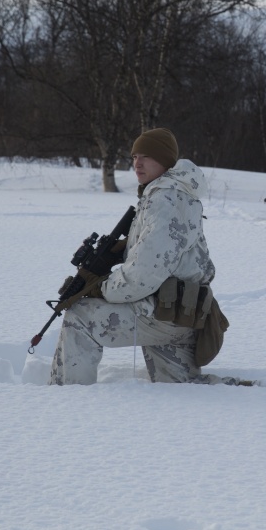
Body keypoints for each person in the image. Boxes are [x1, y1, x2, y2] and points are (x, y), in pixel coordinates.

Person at [49, 128, 247, 386]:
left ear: (165, 161)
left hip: (160, 314)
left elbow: (143, 276)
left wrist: (100, 288)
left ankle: (64, 401)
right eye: (134, 156)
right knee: (182, 389)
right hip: (180, 315)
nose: (137, 163)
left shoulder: (165, 197)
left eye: (147, 156)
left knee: (79, 317)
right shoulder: (175, 193)